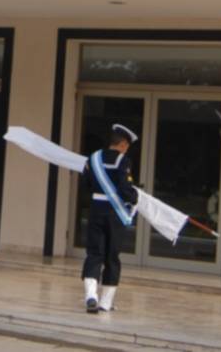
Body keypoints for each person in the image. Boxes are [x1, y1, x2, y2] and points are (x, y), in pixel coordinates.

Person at [80, 123, 138, 313]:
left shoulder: (93, 158)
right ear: (122, 144)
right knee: (112, 256)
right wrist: (135, 197)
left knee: (94, 253)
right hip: (115, 214)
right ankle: (106, 302)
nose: (126, 149)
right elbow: (124, 189)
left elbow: (86, 183)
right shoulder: (123, 160)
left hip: (96, 209)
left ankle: (90, 295)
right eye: (127, 145)